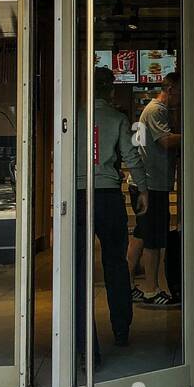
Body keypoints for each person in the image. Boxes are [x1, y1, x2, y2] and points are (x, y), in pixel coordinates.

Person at [75, 67, 147, 353]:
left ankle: (82, 337)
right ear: (111, 90)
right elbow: (131, 155)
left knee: (78, 266)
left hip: (79, 195)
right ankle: (120, 328)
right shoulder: (117, 119)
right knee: (115, 263)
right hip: (108, 196)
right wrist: (142, 188)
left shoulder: (74, 117)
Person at [130, 72, 182, 308]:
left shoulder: (155, 110)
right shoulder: (157, 110)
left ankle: (127, 284)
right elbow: (165, 141)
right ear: (170, 89)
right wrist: (193, 134)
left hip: (147, 184)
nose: (181, 99)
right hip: (151, 185)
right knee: (153, 240)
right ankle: (151, 290)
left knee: (141, 236)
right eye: (180, 92)